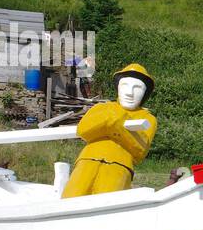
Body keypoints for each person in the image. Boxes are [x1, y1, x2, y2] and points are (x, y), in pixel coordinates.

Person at [61, 63, 157, 198]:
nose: (130, 92)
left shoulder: (147, 118)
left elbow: (140, 149)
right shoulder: (102, 107)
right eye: (125, 85)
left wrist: (112, 124)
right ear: (118, 88)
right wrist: (117, 125)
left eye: (138, 88)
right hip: (86, 160)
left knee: (106, 205)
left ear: (145, 93)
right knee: (70, 199)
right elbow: (83, 130)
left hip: (120, 166)